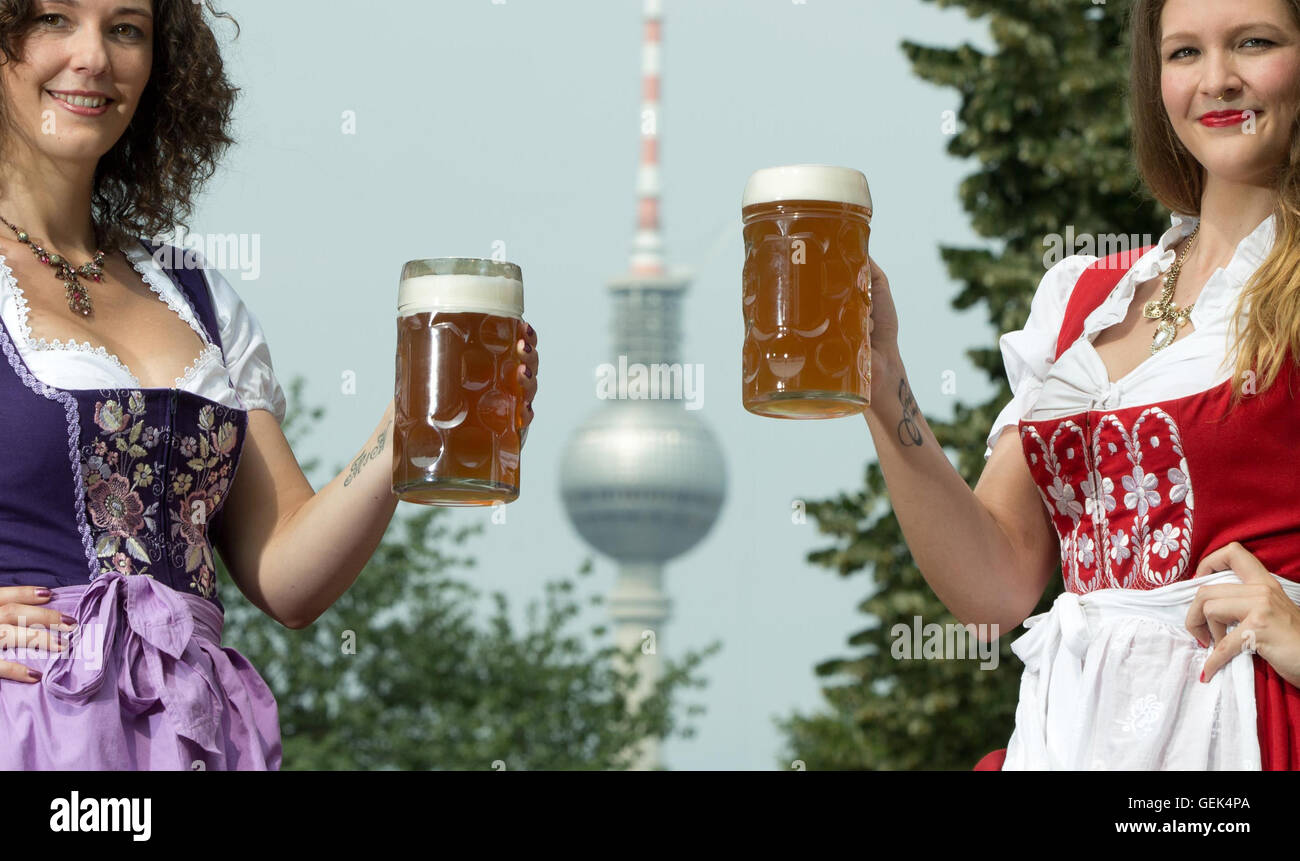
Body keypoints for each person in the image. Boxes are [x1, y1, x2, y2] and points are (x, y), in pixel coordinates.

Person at [0, 0, 540, 769]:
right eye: (53, 19)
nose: (93, 57)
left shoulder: (197, 298)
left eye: (126, 28)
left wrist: (411, 424)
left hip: (189, 737)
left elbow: (288, 575)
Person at [860, 0, 1300, 769]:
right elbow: (995, 586)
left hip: (1242, 738)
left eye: (1254, 43)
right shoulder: (1084, 298)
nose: (1218, 80)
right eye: (1184, 53)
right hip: (1068, 736)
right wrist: (882, 379)